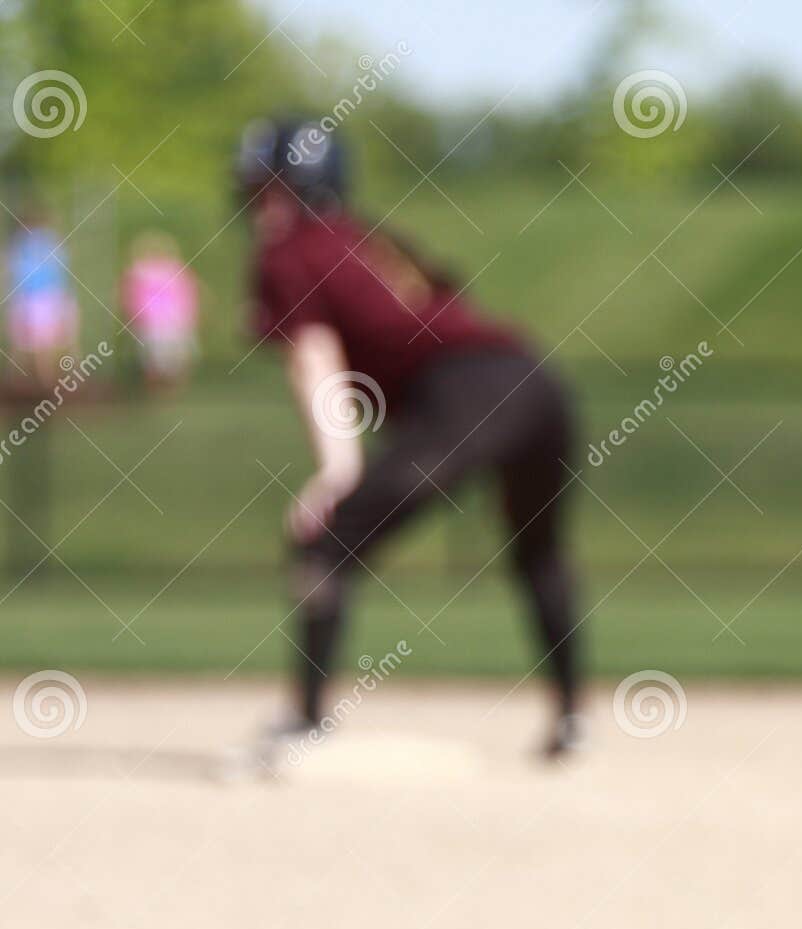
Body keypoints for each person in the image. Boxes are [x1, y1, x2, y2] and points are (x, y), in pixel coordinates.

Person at [234, 119, 582, 761]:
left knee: (325, 536)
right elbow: (449, 304)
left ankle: (307, 721)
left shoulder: (288, 251)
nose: (261, 207)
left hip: (464, 393)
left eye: (267, 190)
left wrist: (338, 469)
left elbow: (314, 357)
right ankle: (571, 721)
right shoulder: (370, 240)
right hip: (536, 381)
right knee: (540, 556)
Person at [6, 206, 78, 393]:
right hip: (46, 295)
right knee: (46, 341)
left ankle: (37, 382)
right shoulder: (48, 241)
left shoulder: (23, 243)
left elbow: (16, 270)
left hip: (34, 296)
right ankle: (48, 382)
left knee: (31, 342)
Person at [120, 230, 200, 397]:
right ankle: (161, 390)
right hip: (156, 321)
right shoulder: (142, 272)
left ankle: (170, 389)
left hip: (171, 320)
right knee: (156, 358)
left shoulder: (169, 270)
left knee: (172, 357)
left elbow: (187, 293)